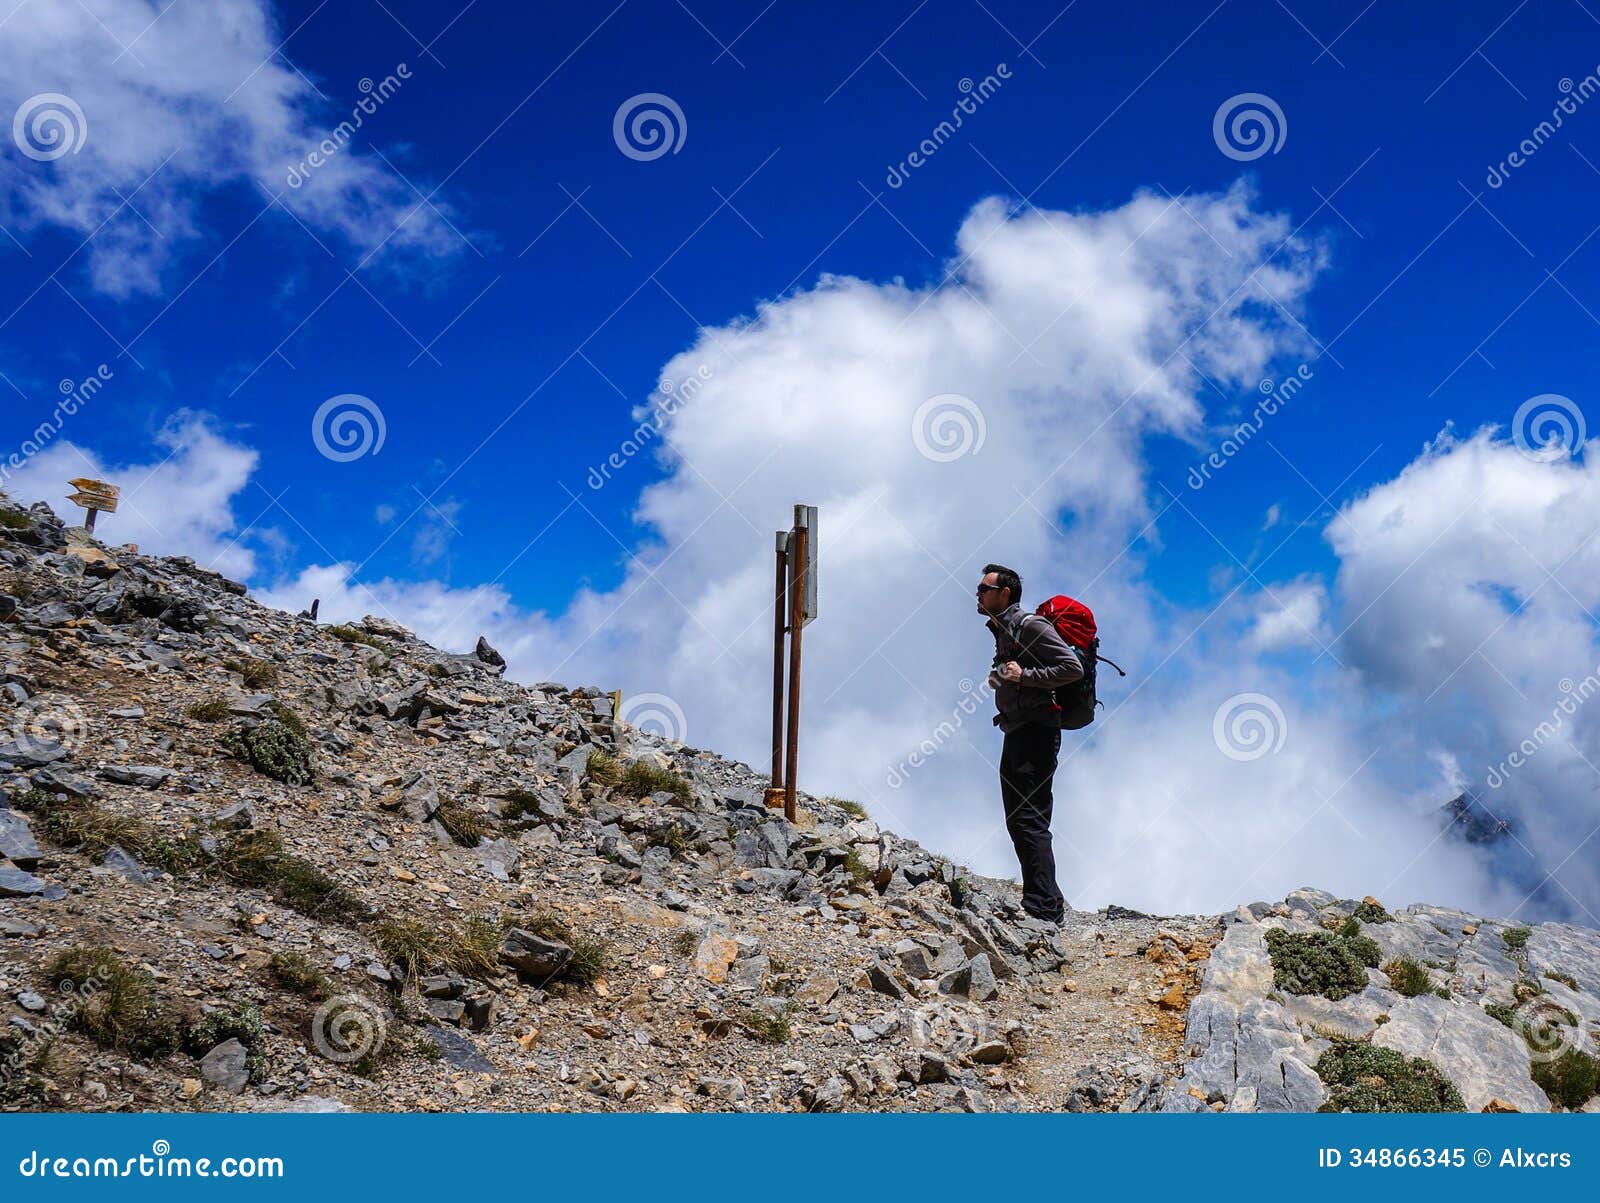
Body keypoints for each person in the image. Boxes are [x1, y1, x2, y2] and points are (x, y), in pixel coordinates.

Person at [977, 563, 1082, 924]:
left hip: (1036, 732)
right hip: (1019, 729)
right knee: (1020, 818)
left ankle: (1043, 908)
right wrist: (1002, 677)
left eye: (984, 588)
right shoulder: (1005, 629)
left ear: (1004, 594)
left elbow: (1072, 667)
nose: (977, 594)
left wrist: (1024, 676)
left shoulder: (1030, 625)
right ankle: (1045, 899)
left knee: (1028, 818)